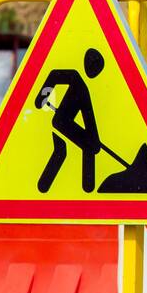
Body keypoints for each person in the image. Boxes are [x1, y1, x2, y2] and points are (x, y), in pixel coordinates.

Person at [34, 48, 105, 194]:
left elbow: (88, 116)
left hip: (62, 122)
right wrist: (41, 98)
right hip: (60, 121)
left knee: (87, 146)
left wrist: (94, 140)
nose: (94, 72)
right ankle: (45, 187)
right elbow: (54, 76)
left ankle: (88, 188)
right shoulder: (76, 79)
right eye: (94, 67)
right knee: (63, 150)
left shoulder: (84, 89)